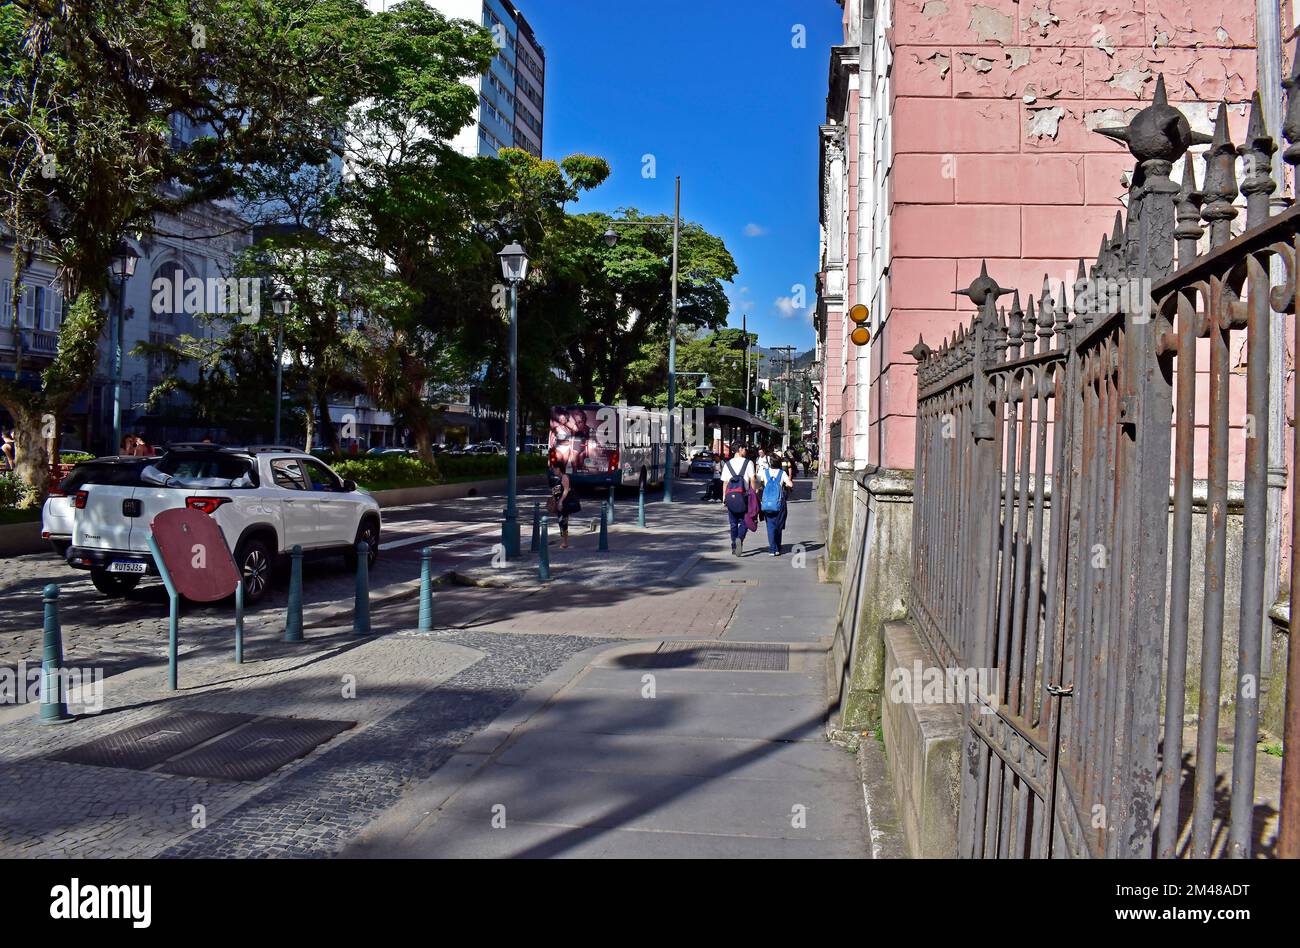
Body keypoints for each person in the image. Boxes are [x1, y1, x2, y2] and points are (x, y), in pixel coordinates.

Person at [721, 443, 755, 556]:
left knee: (733, 523)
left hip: (730, 497)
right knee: (745, 521)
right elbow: (753, 479)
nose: (745, 450)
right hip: (744, 497)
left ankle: (734, 546)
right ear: (740, 449)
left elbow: (725, 483)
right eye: (744, 448)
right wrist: (753, 493)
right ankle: (740, 538)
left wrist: (724, 498)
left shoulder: (727, 464)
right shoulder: (748, 462)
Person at [548, 457, 577, 549]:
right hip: (559, 503)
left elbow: (566, 490)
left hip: (564, 504)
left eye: (555, 468)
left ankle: (565, 542)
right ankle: (564, 541)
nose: (553, 470)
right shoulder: (558, 478)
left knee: (563, 522)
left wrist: (560, 502)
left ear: (559, 469)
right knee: (561, 522)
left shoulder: (564, 477)